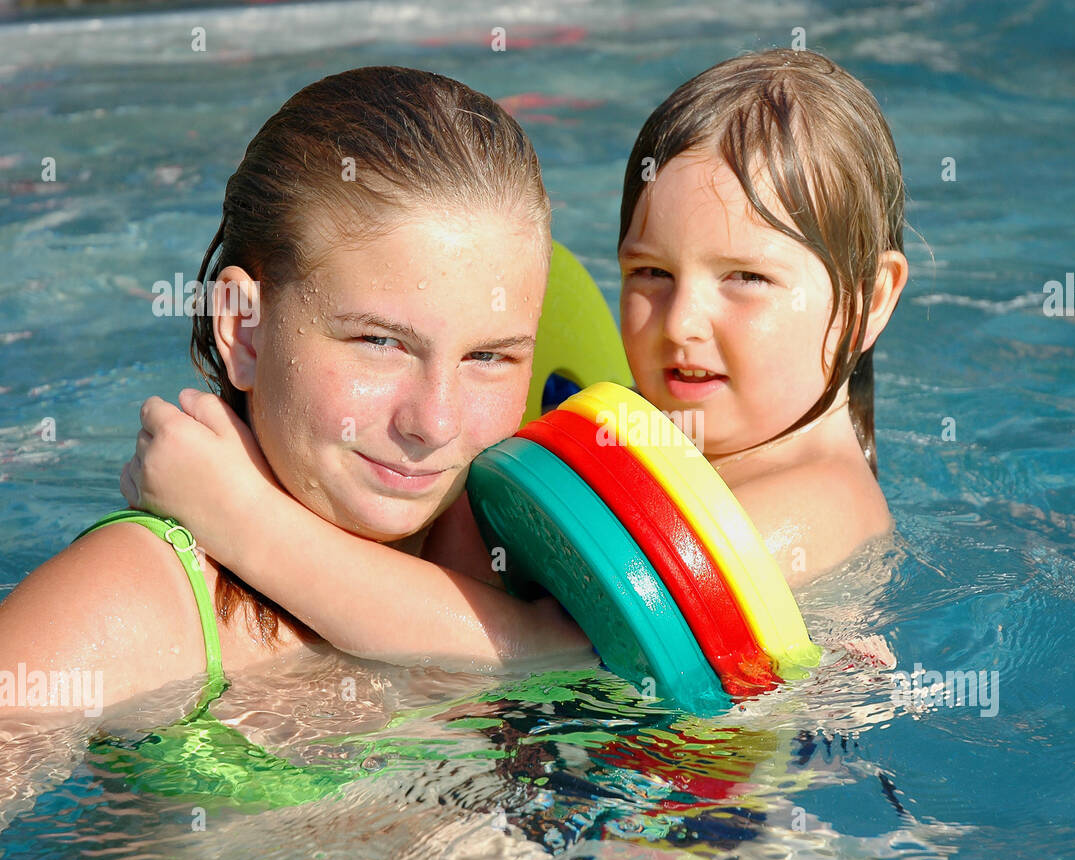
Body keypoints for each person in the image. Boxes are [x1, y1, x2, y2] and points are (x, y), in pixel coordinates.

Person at [109, 49, 907, 670]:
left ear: (872, 300)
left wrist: (239, 517)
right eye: (651, 274)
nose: (682, 321)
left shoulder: (815, 504)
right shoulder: (640, 433)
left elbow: (527, 652)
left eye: (746, 279)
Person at [0, 66, 590, 718]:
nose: (436, 422)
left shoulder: (546, 565)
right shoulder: (133, 608)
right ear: (244, 332)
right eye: (380, 343)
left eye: (488, 356)